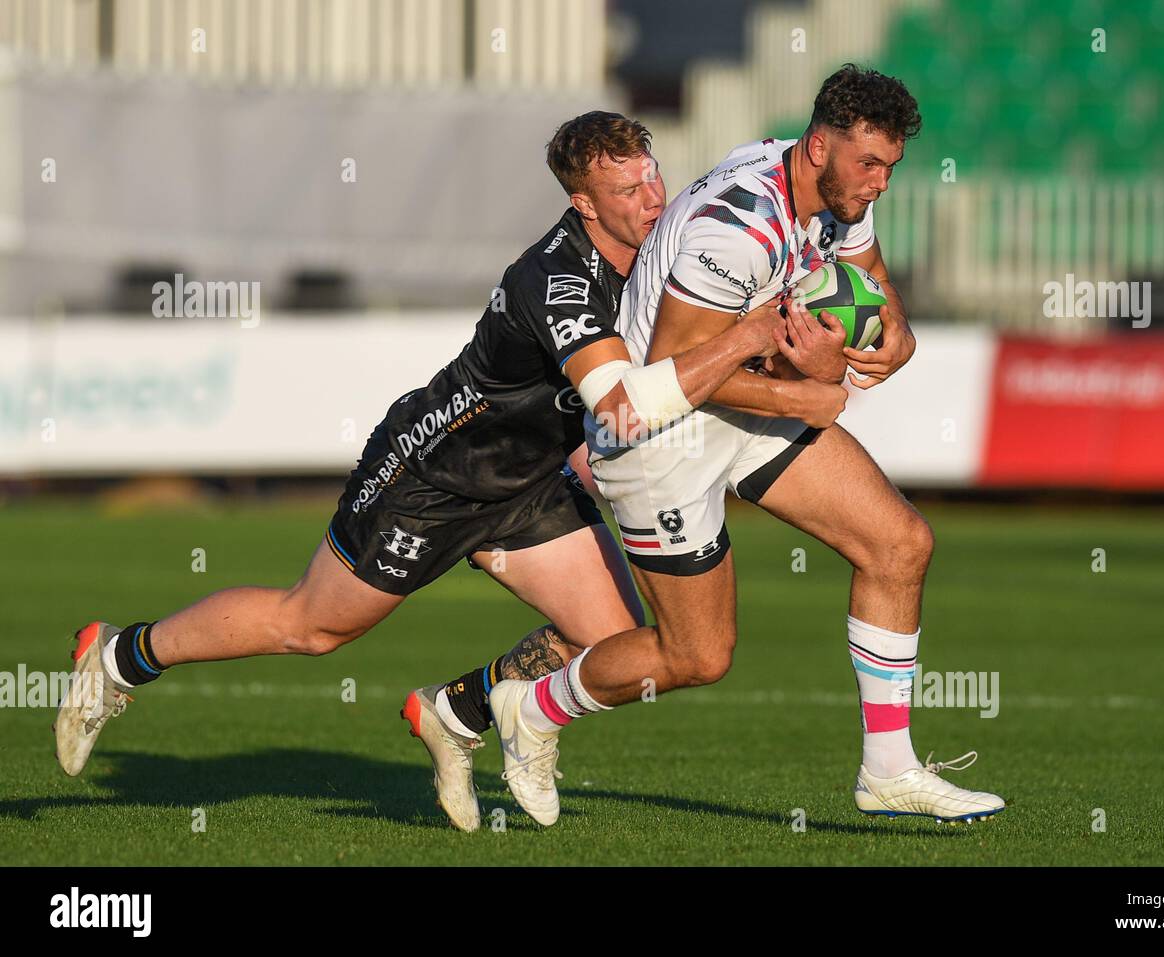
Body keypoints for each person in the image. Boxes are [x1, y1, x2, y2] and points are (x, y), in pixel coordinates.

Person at [54, 112, 837, 835]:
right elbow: (625, 409)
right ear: (584, 202)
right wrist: (751, 347)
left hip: (529, 486)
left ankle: (455, 707)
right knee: (310, 627)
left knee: (608, 640)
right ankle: (121, 655)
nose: (651, 196)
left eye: (653, 174)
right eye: (626, 188)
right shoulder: (555, 280)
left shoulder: (668, 246)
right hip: (432, 475)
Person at [486, 66, 1007, 827]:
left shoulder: (830, 191)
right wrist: (810, 392)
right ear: (821, 144)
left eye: (891, 168)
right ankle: (529, 708)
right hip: (654, 437)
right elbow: (669, 373)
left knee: (900, 544)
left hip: (739, 406)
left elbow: (869, 277)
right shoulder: (736, 230)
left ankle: (889, 769)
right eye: (869, 164)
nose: (880, 184)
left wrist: (896, 332)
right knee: (697, 656)